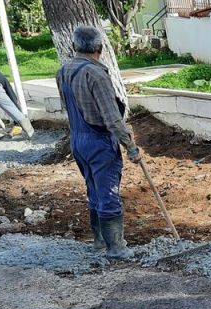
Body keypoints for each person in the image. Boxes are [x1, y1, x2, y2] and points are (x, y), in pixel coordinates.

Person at [56, 25, 140, 259]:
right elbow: (112, 118)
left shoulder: (63, 70)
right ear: (100, 48)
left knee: (94, 190)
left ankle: (99, 242)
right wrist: (130, 146)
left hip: (78, 140)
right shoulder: (95, 74)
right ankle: (116, 248)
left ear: (74, 46)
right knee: (108, 193)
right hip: (99, 142)